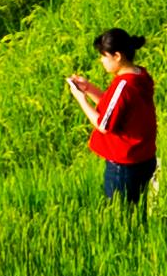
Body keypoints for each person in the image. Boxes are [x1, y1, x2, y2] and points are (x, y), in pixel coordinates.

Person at [67, 23, 157, 216]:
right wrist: (89, 88)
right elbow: (115, 108)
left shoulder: (122, 85)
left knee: (121, 220)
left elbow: (104, 124)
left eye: (103, 56)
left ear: (117, 56)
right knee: (138, 215)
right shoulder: (141, 75)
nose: (101, 61)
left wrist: (81, 99)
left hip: (124, 165)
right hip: (144, 158)